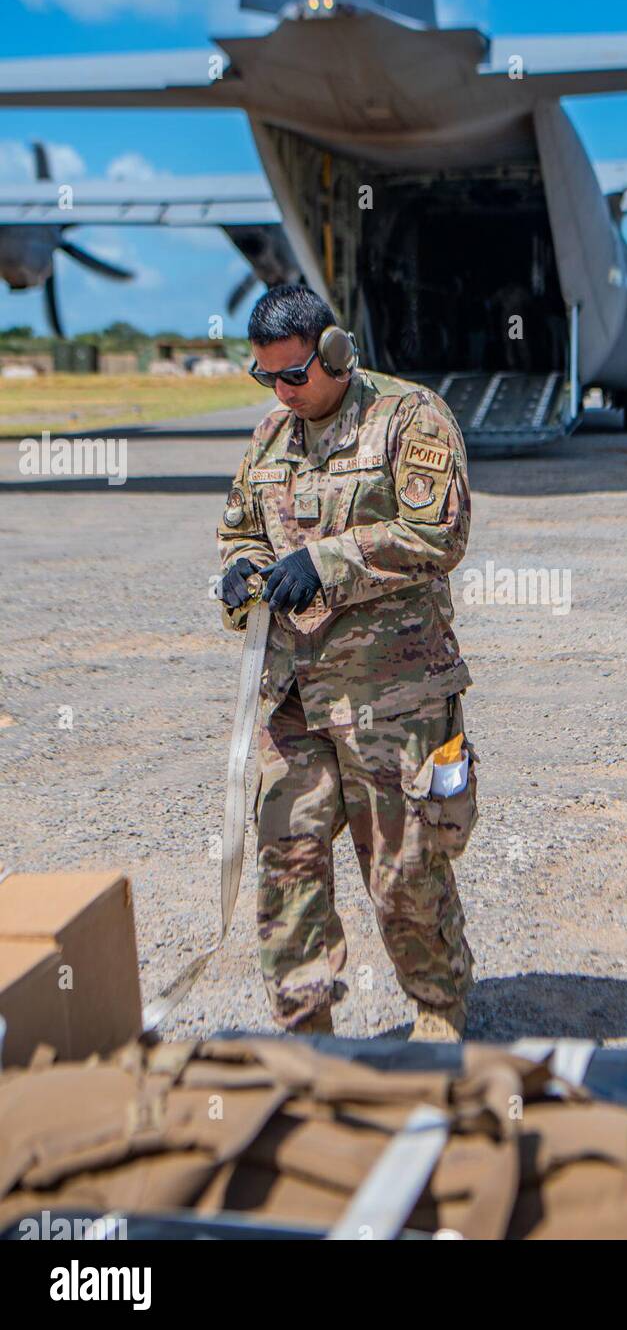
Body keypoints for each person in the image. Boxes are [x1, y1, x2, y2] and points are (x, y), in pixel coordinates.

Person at [216, 284, 477, 1042]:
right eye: (267, 378)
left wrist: (327, 560)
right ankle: (306, 1031)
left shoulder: (407, 417)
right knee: (286, 864)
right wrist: (239, 574)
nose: (283, 393)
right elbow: (238, 533)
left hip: (392, 695)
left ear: (334, 352)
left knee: (404, 868)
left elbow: (437, 533)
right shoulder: (270, 437)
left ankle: (437, 1012)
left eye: (295, 375)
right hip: (295, 697)